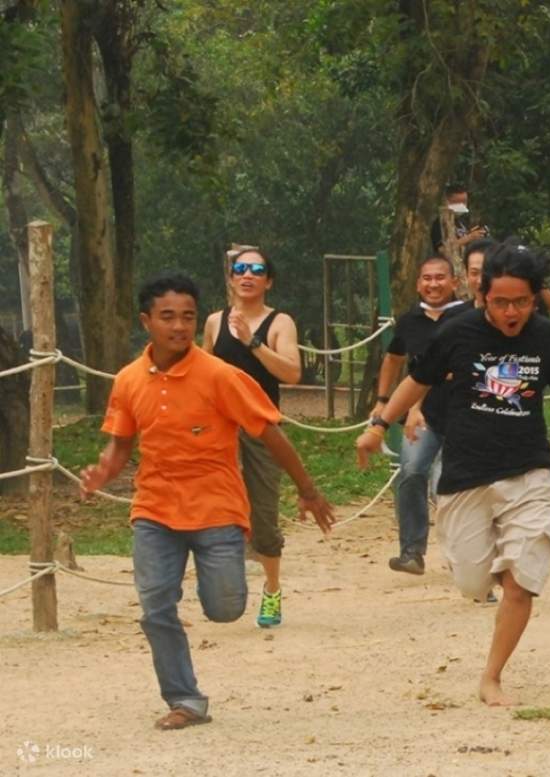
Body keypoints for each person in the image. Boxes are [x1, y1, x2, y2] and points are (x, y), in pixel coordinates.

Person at [355, 238, 550, 707]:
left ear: (535, 298)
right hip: (466, 476)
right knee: (473, 583)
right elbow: (417, 380)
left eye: (522, 302)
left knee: (520, 582)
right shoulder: (457, 331)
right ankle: (489, 574)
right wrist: (378, 425)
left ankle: (492, 676)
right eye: (502, 301)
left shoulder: (545, 337)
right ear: (482, 295)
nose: (512, 312)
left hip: (529, 472)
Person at [82, 272, 333, 730]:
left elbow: (270, 434)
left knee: (225, 608)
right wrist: (103, 470)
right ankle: (185, 699)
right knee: (157, 604)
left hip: (216, 509)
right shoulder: (128, 380)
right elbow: (120, 444)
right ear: (146, 322)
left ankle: (220, 580)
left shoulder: (220, 375)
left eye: (188, 317)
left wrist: (309, 489)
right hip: (154, 510)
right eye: (167, 317)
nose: (179, 327)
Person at [202, 247, 302, 628]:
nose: (247, 275)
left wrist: (253, 342)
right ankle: (222, 583)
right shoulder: (214, 321)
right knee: (216, 506)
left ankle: (272, 590)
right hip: (218, 426)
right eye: (240, 269)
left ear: (268, 280)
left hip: (261, 426)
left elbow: (292, 373)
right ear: (230, 278)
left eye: (256, 270)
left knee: (262, 511)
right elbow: (202, 368)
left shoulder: (280, 323)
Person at [372, 255, 469, 574]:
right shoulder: (410, 320)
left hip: (462, 414)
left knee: (447, 484)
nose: (433, 284)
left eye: (440, 278)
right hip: (420, 415)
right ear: (418, 284)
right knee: (411, 472)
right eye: (427, 278)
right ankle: (412, 550)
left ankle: (464, 555)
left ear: (455, 282)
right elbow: (393, 358)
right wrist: (383, 400)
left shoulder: (469, 317)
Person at [432, 184, 489, 260]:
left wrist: (474, 235)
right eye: (458, 202)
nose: (462, 205)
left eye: (465, 202)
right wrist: (469, 237)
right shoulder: (440, 223)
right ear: (447, 202)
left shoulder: (461, 222)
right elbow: (442, 250)